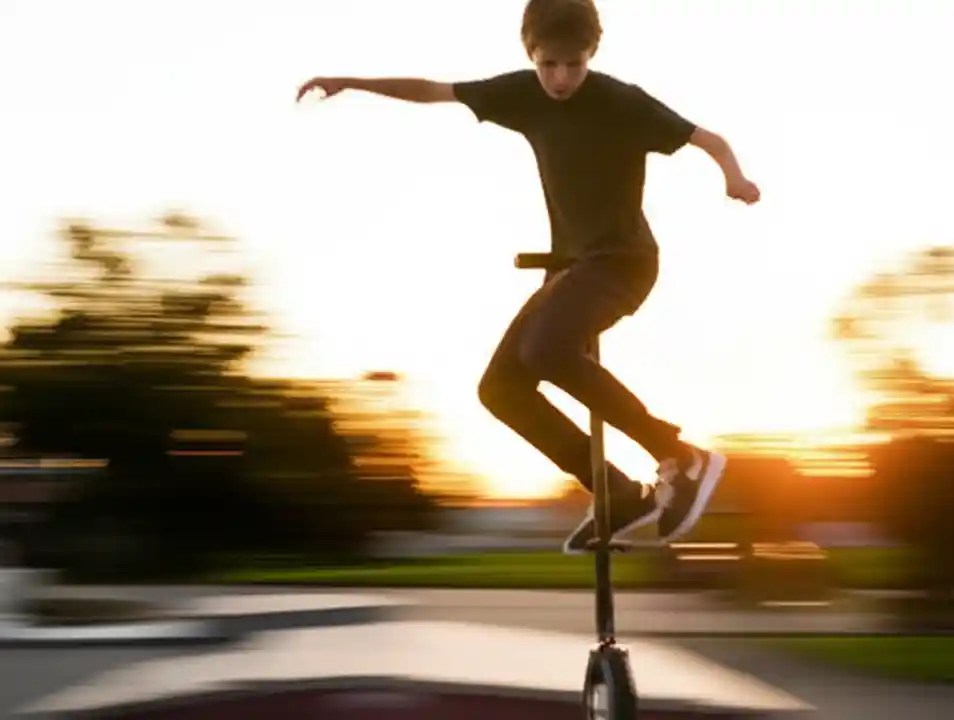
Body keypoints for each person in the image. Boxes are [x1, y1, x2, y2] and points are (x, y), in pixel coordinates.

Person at [296, 0, 760, 553]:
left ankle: (681, 457)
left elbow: (708, 139)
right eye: (549, 65)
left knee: (545, 352)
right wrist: (349, 82)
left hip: (623, 263)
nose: (561, 78)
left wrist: (735, 178)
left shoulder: (622, 101)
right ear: (530, 55)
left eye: (574, 64)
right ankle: (614, 491)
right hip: (569, 270)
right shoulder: (518, 93)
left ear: (592, 54)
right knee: (500, 389)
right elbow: (433, 90)